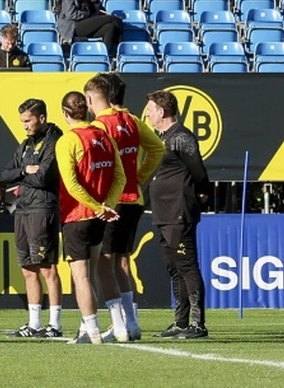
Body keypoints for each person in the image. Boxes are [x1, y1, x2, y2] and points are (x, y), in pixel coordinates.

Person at [85, 73, 163, 343]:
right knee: (122, 261)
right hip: (134, 199)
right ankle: (132, 322)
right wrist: (139, 176)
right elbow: (157, 148)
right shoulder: (132, 121)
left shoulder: (100, 125)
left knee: (104, 264)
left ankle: (118, 325)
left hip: (112, 200)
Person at [55, 91, 124, 345]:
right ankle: (90, 328)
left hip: (77, 215)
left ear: (65, 113)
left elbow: (71, 184)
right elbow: (120, 177)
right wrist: (106, 206)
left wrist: (97, 206)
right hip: (98, 217)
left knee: (81, 277)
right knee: (91, 274)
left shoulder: (67, 140)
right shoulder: (104, 136)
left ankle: (92, 332)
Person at [143, 89, 211, 340]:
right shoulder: (161, 139)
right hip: (163, 214)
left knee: (187, 266)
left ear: (161, 111)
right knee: (174, 268)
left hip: (178, 212)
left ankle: (197, 324)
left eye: (150, 110)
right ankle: (181, 322)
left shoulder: (181, 137)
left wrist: (202, 193)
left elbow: (199, 172)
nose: (147, 115)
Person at [0, 98, 63, 339]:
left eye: (28, 120)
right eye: (22, 121)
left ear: (41, 118)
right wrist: (25, 170)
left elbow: (44, 177)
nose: (24, 125)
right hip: (23, 209)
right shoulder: (25, 145)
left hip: (42, 208)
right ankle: (34, 323)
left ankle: (55, 324)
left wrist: (23, 176)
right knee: (27, 268)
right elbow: (4, 175)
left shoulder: (54, 141)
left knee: (47, 267)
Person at [56, 0, 123, 55]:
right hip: (73, 26)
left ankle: (105, 56)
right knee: (113, 19)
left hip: (85, 24)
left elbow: (97, 12)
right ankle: (122, 52)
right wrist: (88, 14)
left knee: (110, 27)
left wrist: (93, 0)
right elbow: (71, 15)